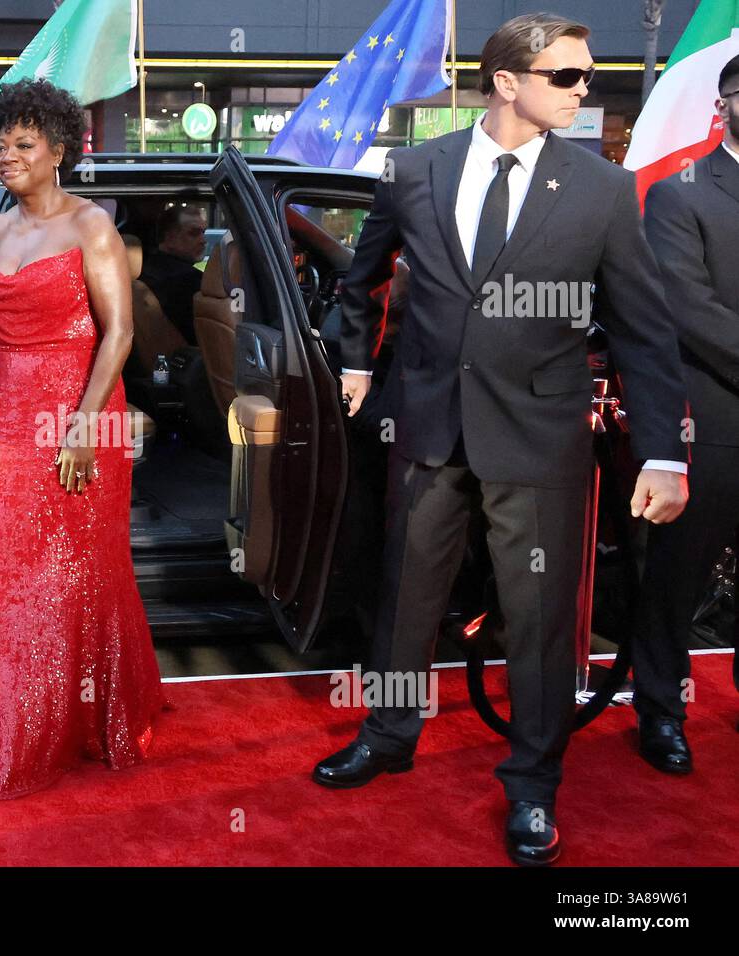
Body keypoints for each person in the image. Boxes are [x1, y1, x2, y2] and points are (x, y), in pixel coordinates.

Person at [314, 13, 689, 866]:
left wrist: (664, 452)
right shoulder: (414, 170)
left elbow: (643, 331)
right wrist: (356, 363)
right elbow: (360, 278)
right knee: (405, 604)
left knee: (539, 620)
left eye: (587, 75)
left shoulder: (601, 190)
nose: (585, 89)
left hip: (539, 438)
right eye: (568, 76)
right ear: (509, 81)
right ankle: (389, 732)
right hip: (430, 428)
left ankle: (532, 786)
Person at [0, 77, 169, 800]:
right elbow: (0, 300)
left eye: (23, 144)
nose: (7, 156)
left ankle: (98, 718)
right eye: (1, 143)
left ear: (59, 152)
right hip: (8, 419)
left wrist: (80, 427)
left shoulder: (90, 226)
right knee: (10, 581)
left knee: (81, 571)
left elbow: (120, 332)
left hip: (82, 414)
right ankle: (19, 725)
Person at [635, 53, 739, 762]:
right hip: (714, 418)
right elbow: (687, 308)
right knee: (680, 575)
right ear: (726, 102)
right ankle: (660, 709)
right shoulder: (682, 193)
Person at [138, 204, 206, 344]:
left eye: (203, 232)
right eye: (193, 233)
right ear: (169, 238)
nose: (203, 240)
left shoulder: (147, 269)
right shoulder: (188, 280)